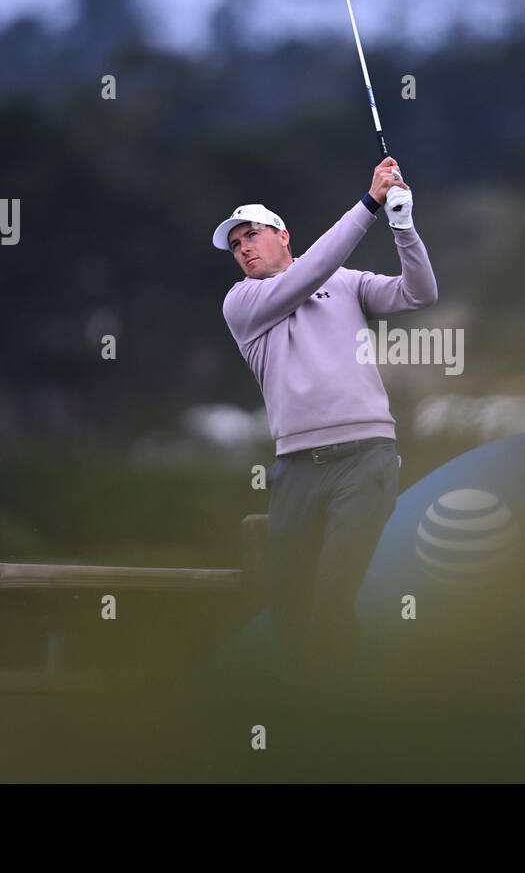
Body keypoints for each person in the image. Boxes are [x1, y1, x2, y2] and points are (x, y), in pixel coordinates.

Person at [214, 157, 439, 692]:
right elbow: (309, 273)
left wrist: (403, 226)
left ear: (281, 235)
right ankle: (310, 722)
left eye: (252, 236)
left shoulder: (345, 281)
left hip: (366, 456)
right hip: (295, 469)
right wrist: (369, 205)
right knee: (289, 611)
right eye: (236, 245)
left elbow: (419, 293)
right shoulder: (242, 302)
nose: (243, 248)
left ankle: (341, 725)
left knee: (332, 601)